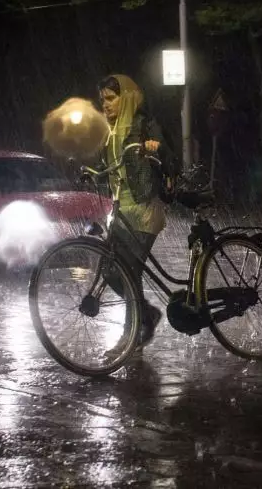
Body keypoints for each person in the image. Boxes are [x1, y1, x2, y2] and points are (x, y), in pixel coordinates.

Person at [96, 74, 176, 355]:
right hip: (120, 210)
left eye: (110, 98)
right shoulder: (109, 130)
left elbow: (165, 150)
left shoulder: (142, 123)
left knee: (129, 270)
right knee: (109, 271)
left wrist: (154, 146)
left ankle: (131, 337)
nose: (105, 105)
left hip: (143, 208)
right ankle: (147, 315)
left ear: (126, 97)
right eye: (102, 99)